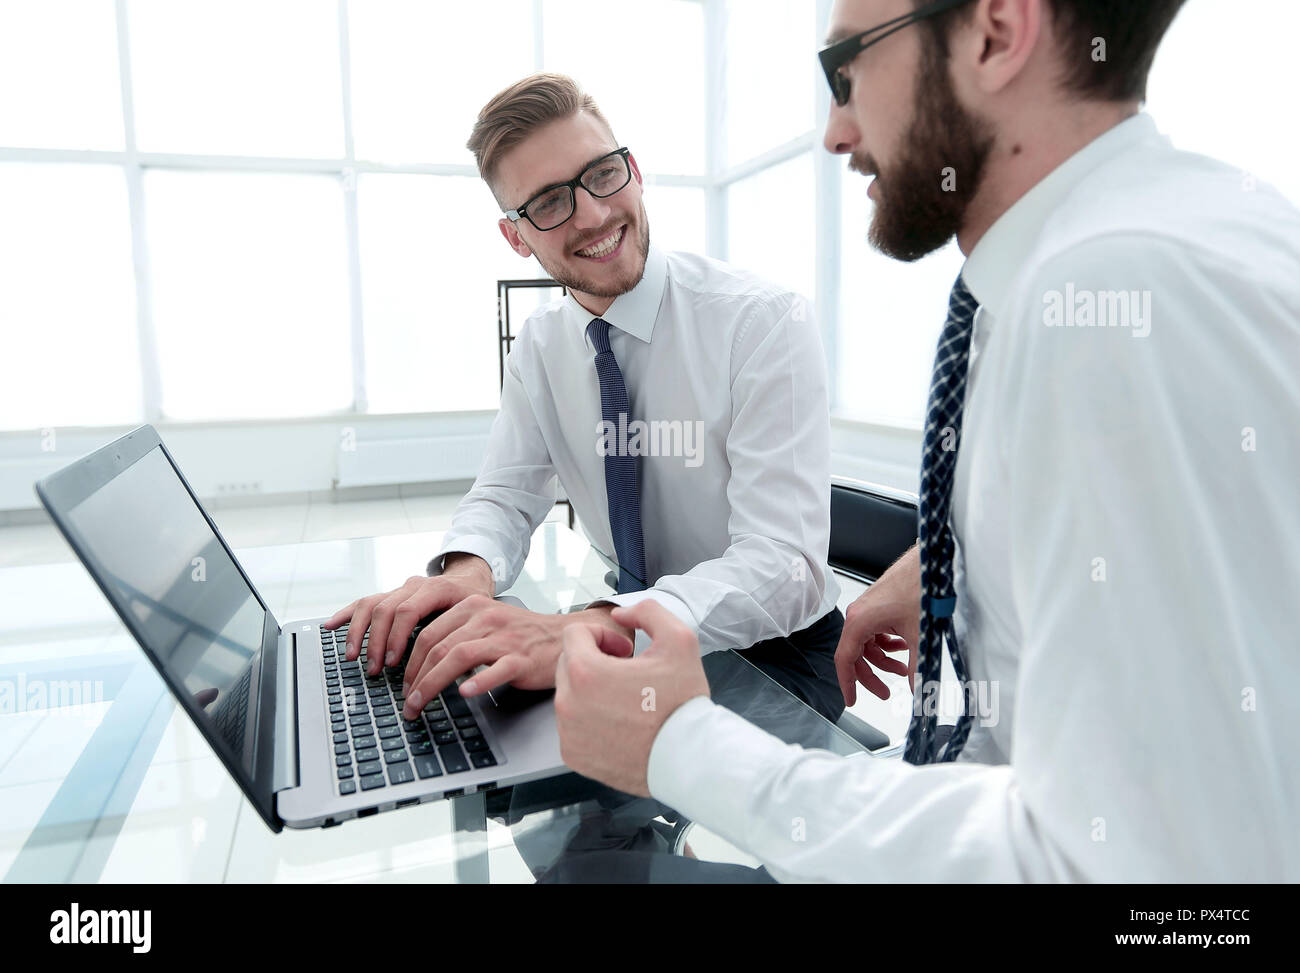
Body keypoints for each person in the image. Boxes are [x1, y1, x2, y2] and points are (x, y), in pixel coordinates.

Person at [553, 0, 1300, 881]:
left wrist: (678, 743)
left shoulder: (1118, 296)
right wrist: (960, 551)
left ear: (995, 31)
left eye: (848, 70)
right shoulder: (1135, 253)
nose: (836, 132)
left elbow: (1155, 880)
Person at [325, 73, 851, 725]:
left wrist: (603, 625)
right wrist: (466, 572)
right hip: (625, 627)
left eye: (602, 175)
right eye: (549, 203)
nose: (594, 214)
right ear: (516, 236)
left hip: (770, 653)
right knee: (506, 766)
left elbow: (785, 567)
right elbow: (508, 492)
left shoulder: (763, 324)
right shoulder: (541, 348)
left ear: (632, 169)